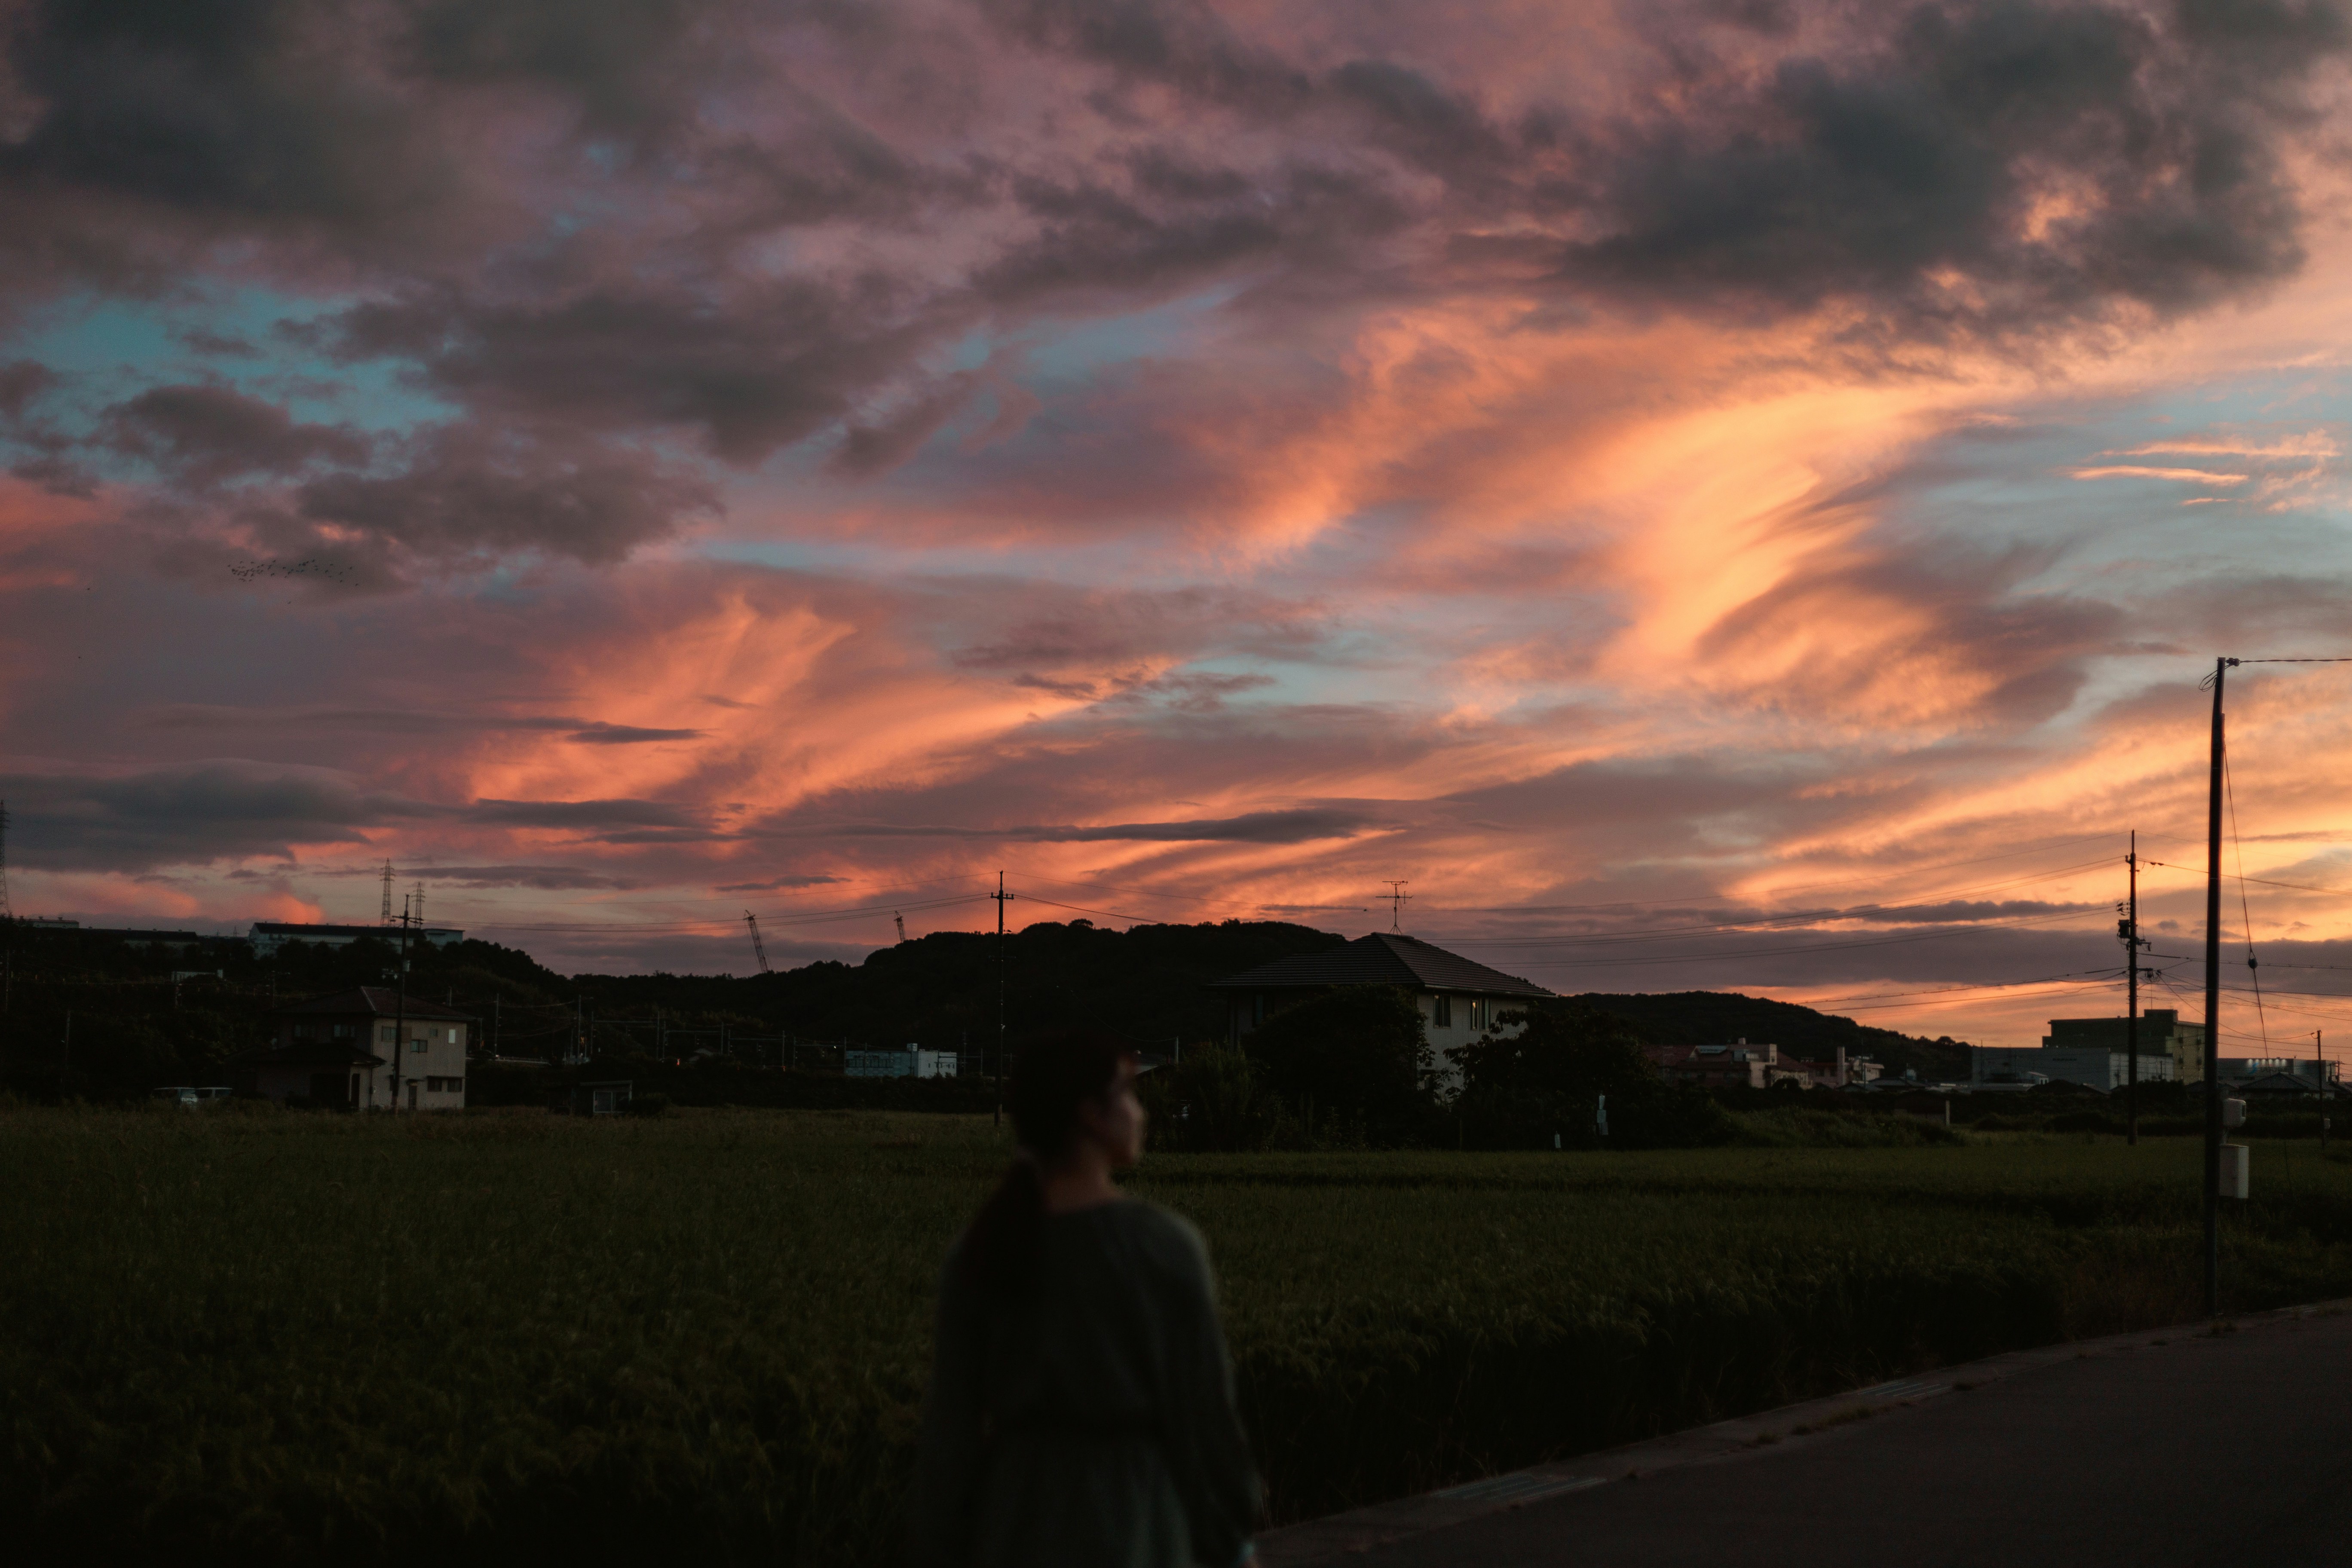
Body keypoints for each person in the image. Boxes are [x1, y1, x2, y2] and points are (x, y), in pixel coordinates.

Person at [906, 1032, 1261, 1568]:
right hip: (1135, 1523)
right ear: (1092, 1116)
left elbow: (947, 1442)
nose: (1141, 1113)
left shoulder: (983, 1250)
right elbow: (1206, 1424)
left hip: (1013, 1526)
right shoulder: (1160, 1246)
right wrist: (1233, 1543)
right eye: (1129, 1096)